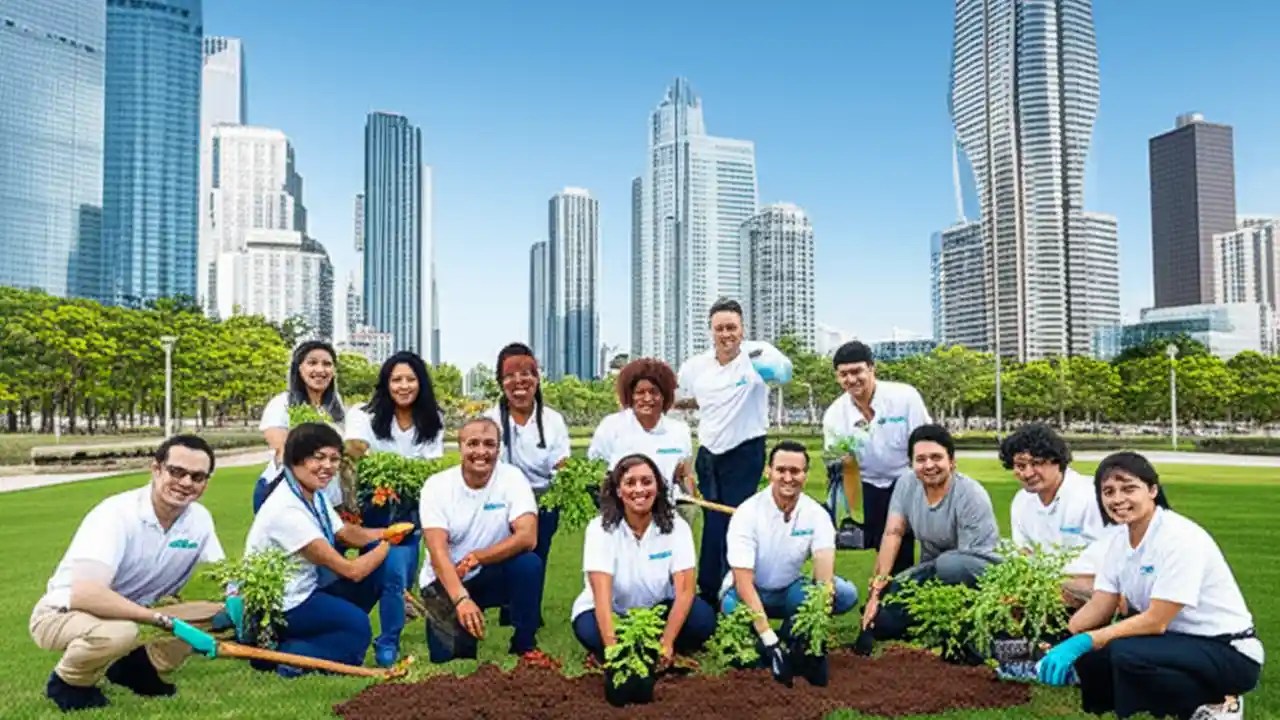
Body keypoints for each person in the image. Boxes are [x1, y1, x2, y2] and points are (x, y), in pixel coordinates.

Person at [1037, 452, 1262, 720]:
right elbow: (1101, 604)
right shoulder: (1119, 540)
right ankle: (1120, 710)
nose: (1117, 499)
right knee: (1094, 658)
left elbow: (1156, 621)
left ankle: (1217, 701)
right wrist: (1062, 638)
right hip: (1175, 643)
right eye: (1108, 491)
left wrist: (1086, 640)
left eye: (1128, 488)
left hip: (1226, 650)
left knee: (1124, 654)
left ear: (1152, 490)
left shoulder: (1179, 538)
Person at [30, 436, 225, 712]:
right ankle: (69, 682)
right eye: (176, 472)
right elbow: (85, 593)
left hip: (136, 610)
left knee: (221, 615)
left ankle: (137, 667)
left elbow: (223, 571)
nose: (185, 483)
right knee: (120, 632)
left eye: (197, 477)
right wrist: (158, 619)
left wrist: (237, 596)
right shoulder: (115, 514)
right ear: (156, 469)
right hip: (63, 612)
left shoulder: (199, 518)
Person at [244, 423, 411, 676]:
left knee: (379, 574)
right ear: (295, 459)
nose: (328, 467)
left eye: (334, 459)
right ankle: (282, 654)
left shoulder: (311, 492)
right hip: (285, 605)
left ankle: (368, 636)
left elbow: (345, 533)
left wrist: (384, 533)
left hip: (310, 588)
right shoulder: (286, 510)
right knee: (357, 632)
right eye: (318, 457)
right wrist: (387, 544)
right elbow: (351, 570)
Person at [675, 298, 792, 604]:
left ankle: (736, 587)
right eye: (719, 328)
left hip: (745, 451)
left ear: (742, 330)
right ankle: (710, 590)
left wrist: (767, 365)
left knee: (738, 521)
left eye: (732, 328)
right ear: (711, 331)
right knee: (712, 520)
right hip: (709, 452)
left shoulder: (757, 356)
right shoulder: (695, 367)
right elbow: (690, 400)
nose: (726, 334)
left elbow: (784, 373)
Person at [417, 417, 553, 666]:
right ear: (460, 447)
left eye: (489, 444)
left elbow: (528, 537)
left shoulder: (512, 478)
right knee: (452, 660)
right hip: (447, 580)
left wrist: (480, 556)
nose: (481, 452)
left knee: (528, 564)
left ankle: (525, 644)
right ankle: (457, 623)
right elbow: (438, 553)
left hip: (490, 573)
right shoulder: (436, 487)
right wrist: (461, 598)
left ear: (498, 450)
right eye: (473, 444)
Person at [720, 440, 858, 683]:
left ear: (805, 474)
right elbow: (743, 582)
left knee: (844, 593)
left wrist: (815, 633)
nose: (788, 478)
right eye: (781, 470)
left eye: (795, 471)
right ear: (768, 472)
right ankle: (765, 643)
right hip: (748, 592)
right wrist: (770, 641)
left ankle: (794, 636)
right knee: (732, 610)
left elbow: (824, 579)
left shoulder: (816, 515)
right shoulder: (747, 513)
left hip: (789, 590)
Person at [343, 350, 445, 667]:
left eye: (410, 379)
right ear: (386, 383)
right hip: (371, 510)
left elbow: (432, 469)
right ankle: (376, 638)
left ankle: (375, 635)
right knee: (385, 577)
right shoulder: (362, 414)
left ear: (421, 383)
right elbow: (355, 453)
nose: (403, 386)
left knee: (397, 575)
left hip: (411, 511)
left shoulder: (433, 418)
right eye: (396, 379)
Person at [571, 453, 715, 665]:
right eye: (630, 483)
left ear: (658, 487)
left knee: (702, 619)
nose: (639, 490)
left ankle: (660, 646)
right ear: (619, 490)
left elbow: (685, 591)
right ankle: (615, 649)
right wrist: (612, 649)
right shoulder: (600, 529)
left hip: (658, 611)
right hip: (612, 612)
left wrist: (667, 643)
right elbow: (601, 594)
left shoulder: (677, 527)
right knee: (589, 631)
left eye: (647, 482)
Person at [861, 424, 1001, 641]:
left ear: (952, 462)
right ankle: (925, 620)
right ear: (911, 464)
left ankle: (960, 624)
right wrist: (876, 592)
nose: (929, 465)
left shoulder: (971, 495)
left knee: (949, 564)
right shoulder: (906, 484)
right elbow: (893, 533)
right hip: (930, 571)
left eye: (937, 457)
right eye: (921, 459)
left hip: (975, 573)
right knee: (882, 621)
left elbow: (968, 564)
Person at [821, 340, 930, 575]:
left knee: (910, 540)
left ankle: (899, 596)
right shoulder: (834, 415)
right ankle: (886, 596)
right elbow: (839, 465)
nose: (851, 379)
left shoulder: (905, 397)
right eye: (844, 374)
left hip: (907, 478)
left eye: (857, 371)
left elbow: (926, 443)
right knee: (882, 542)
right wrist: (849, 510)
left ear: (872, 368)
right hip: (867, 484)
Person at [484, 343, 570, 613]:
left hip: (544, 498)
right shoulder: (490, 420)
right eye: (510, 376)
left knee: (537, 554)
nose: (519, 382)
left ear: (537, 378)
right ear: (501, 382)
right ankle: (505, 605)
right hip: (502, 500)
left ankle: (528, 611)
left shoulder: (553, 420)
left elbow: (561, 464)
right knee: (505, 554)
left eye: (526, 374)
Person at [1000, 423, 1110, 604]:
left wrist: (1050, 582)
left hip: (1094, 586)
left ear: (1057, 461)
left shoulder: (1090, 496)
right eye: (1020, 465)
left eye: (1036, 464)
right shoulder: (1021, 501)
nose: (1027, 473)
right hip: (1044, 585)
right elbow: (1023, 553)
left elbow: (1103, 564)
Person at [587, 357, 697, 528]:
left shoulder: (679, 431)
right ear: (630, 395)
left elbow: (684, 476)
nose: (647, 398)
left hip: (665, 517)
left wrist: (690, 504)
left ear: (664, 396)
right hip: (621, 517)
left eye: (654, 392)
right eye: (640, 392)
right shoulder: (611, 426)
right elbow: (595, 475)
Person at [254, 340, 347, 512]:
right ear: (299, 368)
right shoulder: (282, 403)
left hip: (327, 499)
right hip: (290, 497)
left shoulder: (336, 408)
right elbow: (283, 452)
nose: (320, 370)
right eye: (312, 363)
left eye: (327, 364)